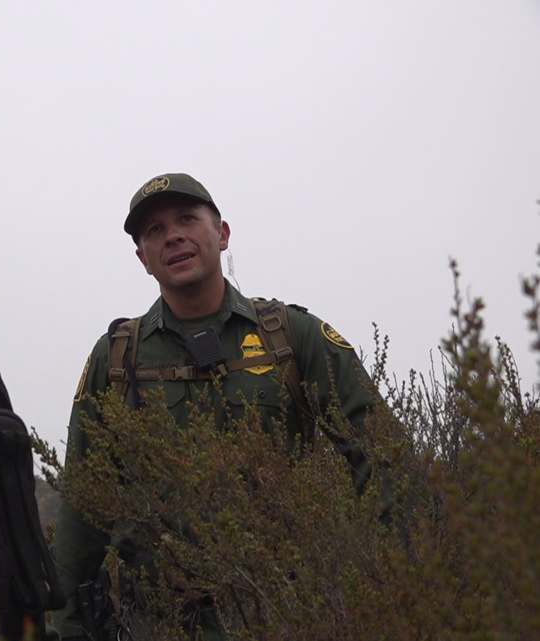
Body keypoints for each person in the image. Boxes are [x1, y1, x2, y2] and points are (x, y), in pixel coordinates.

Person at [49, 173, 378, 640]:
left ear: (221, 234)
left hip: (286, 613)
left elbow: (382, 459)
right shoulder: (118, 358)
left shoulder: (291, 335)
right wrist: (66, 627)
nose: (174, 236)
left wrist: (393, 577)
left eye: (187, 218)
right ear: (143, 259)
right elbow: (83, 503)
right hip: (161, 623)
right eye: (155, 231)